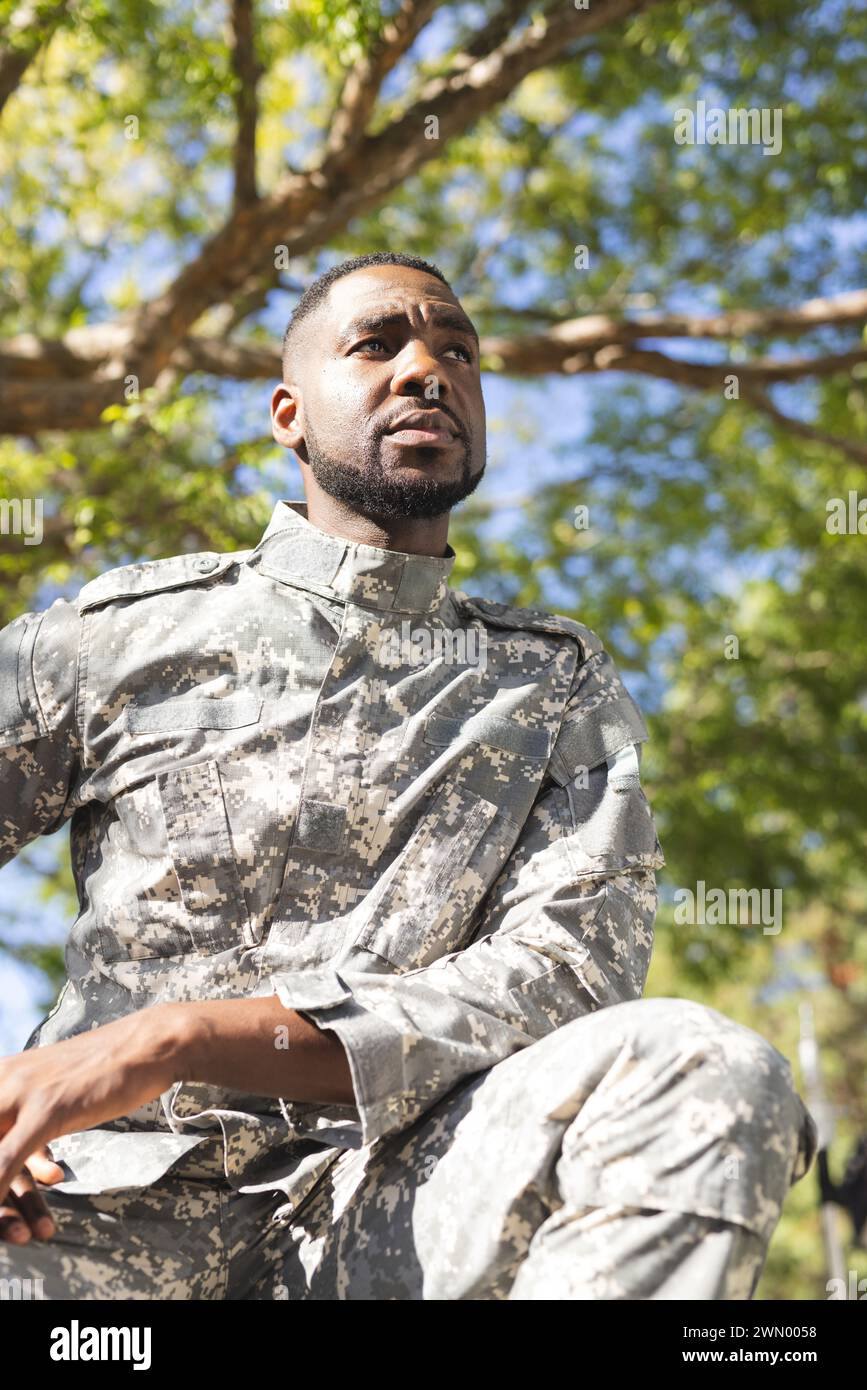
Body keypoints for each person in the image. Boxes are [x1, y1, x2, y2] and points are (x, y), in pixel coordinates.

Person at [0, 251, 817, 1300]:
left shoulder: (551, 684)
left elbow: (562, 975)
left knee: (704, 1067)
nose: (428, 369)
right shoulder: (122, 635)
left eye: (457, 351)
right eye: (379, 343)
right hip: (88, 1214)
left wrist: (178, 1036)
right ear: (288, 413)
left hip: (397, 1208)